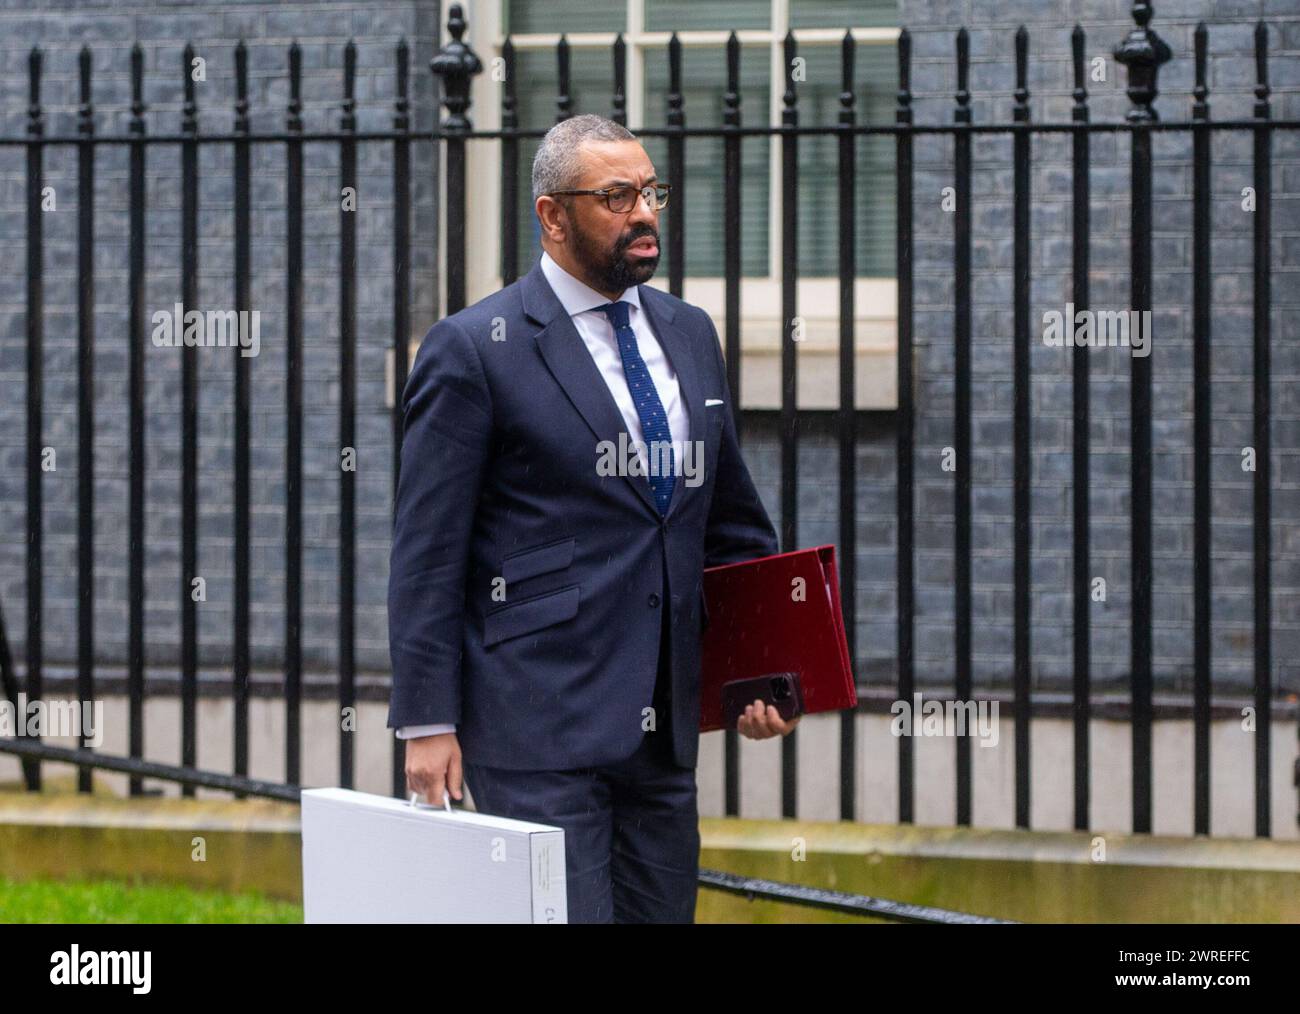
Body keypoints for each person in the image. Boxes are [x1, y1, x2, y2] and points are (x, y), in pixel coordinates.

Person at [388, 113, 796, 923]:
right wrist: (426, 722)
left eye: (651, 191)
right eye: (616, 196)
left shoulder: (689, 333)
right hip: (535, 725)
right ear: (553, 216)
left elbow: (729, 524)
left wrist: (768, 675)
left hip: (661, 732)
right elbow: (427, 554)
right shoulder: (475, 348)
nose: (643, 211)